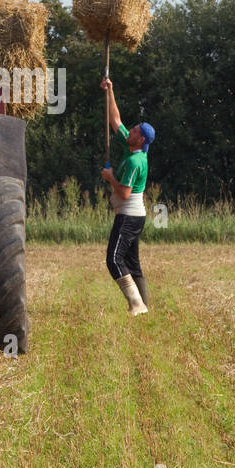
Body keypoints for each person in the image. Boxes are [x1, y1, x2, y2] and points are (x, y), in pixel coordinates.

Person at [100, 77, 156, 316]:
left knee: (113, 259)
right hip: (133, 215)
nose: (130, 130)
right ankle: (143, 306)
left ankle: (135, 303)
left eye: (134, 130)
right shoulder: (130, 147)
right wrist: (110, 90)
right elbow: (115, 120)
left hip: (129, 216)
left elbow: (123, 192)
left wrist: (109, 176)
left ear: (140, 139)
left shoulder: (135, 160)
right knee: (132, 263)